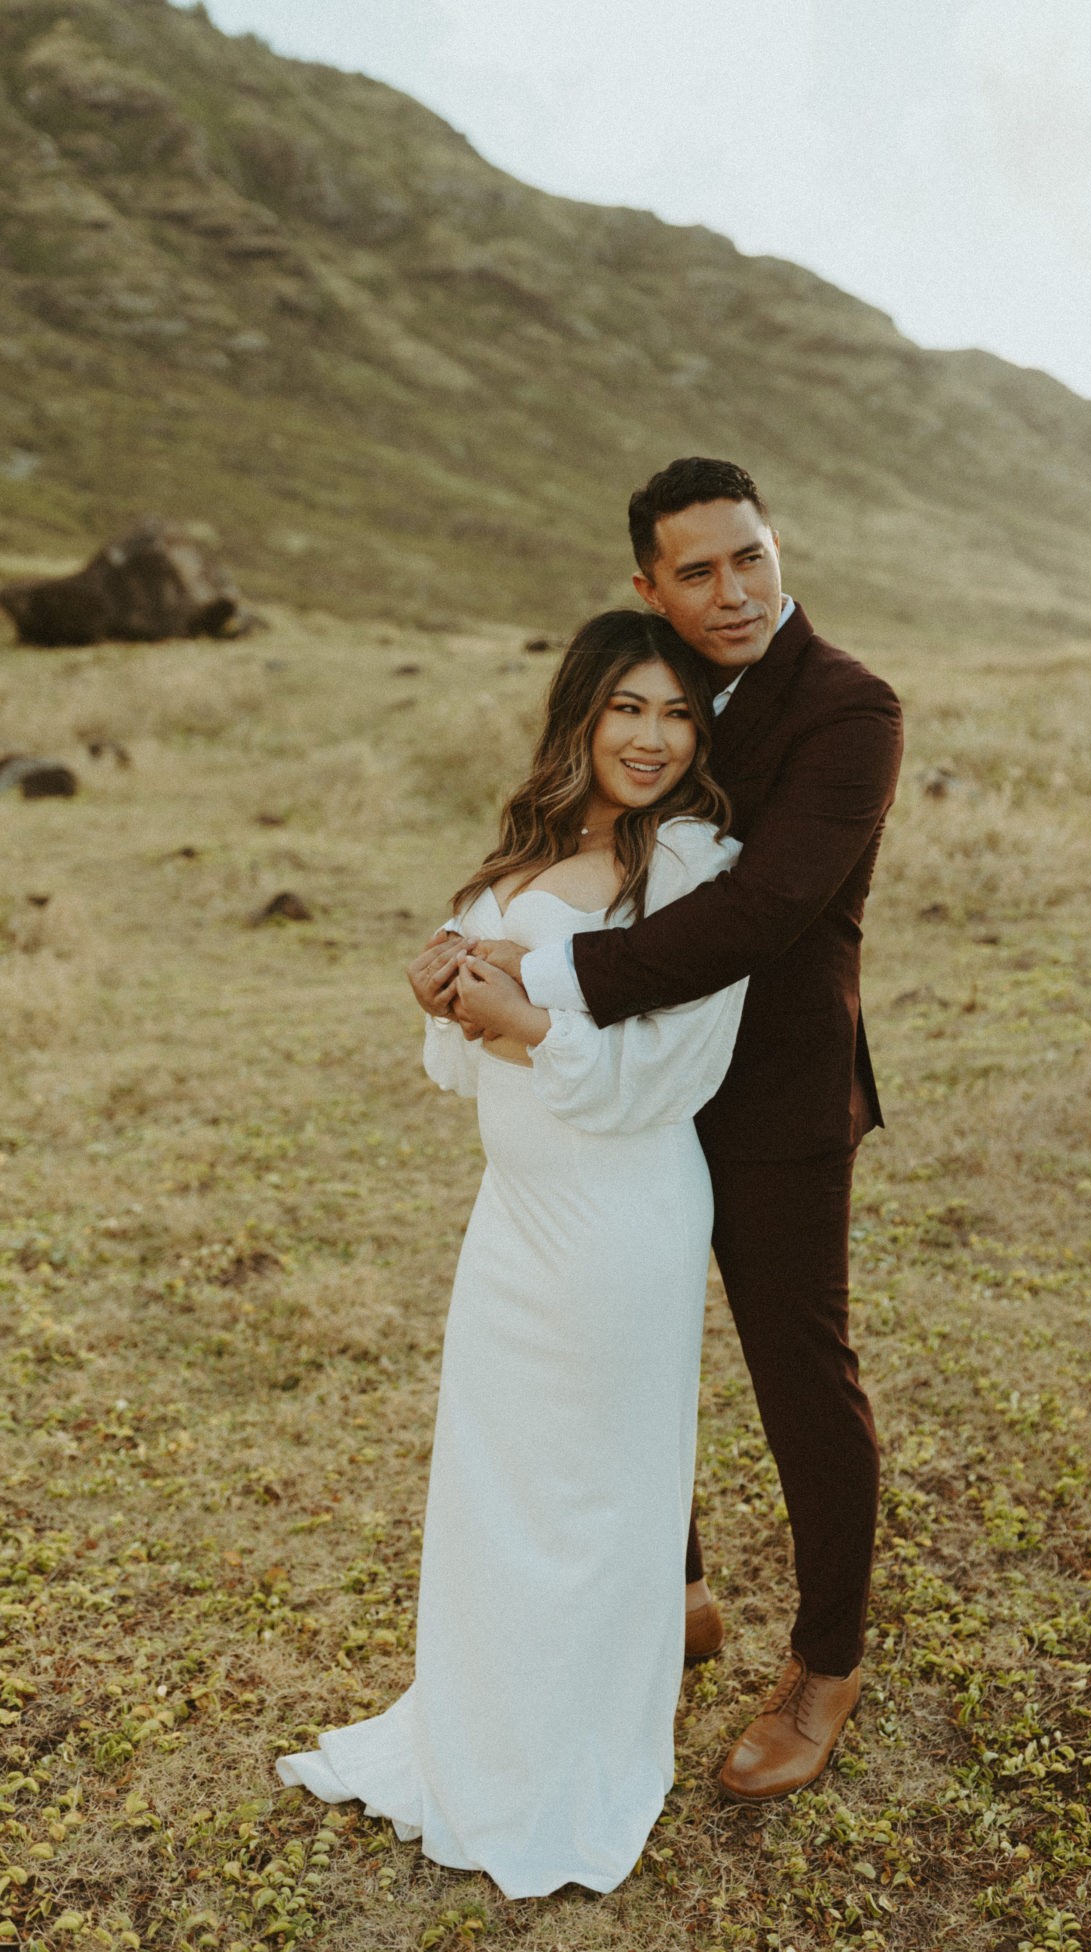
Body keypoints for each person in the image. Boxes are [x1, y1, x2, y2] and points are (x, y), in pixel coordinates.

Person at [276, 610, 748, 1897]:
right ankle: (481, 1729)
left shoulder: (702, 861)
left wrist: (529, 1023)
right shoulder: (535, 843)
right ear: (581, 714)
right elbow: (458, 1054)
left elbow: (675, 1068)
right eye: (628, 709)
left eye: (677, 714)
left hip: (624, 1213)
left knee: (597, 1487)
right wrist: (440, 992)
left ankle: (571, 1752)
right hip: (515, 1219)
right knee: (500, 1474)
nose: (652, 738)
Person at [468, 458, 903, 1803]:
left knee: (797, 1380)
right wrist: (472, 940)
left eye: (751, 558)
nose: (733, 593)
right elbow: (578, 838)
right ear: (647, 587)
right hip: (624, 1095)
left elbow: (764, 910)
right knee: (623, 1353)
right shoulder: (653, 687)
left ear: (780, 550)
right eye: (698, 572)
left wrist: (545, 985)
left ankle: (823, 1666)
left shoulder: (849, 709)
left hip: (772, 1106)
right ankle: (680, 1599)